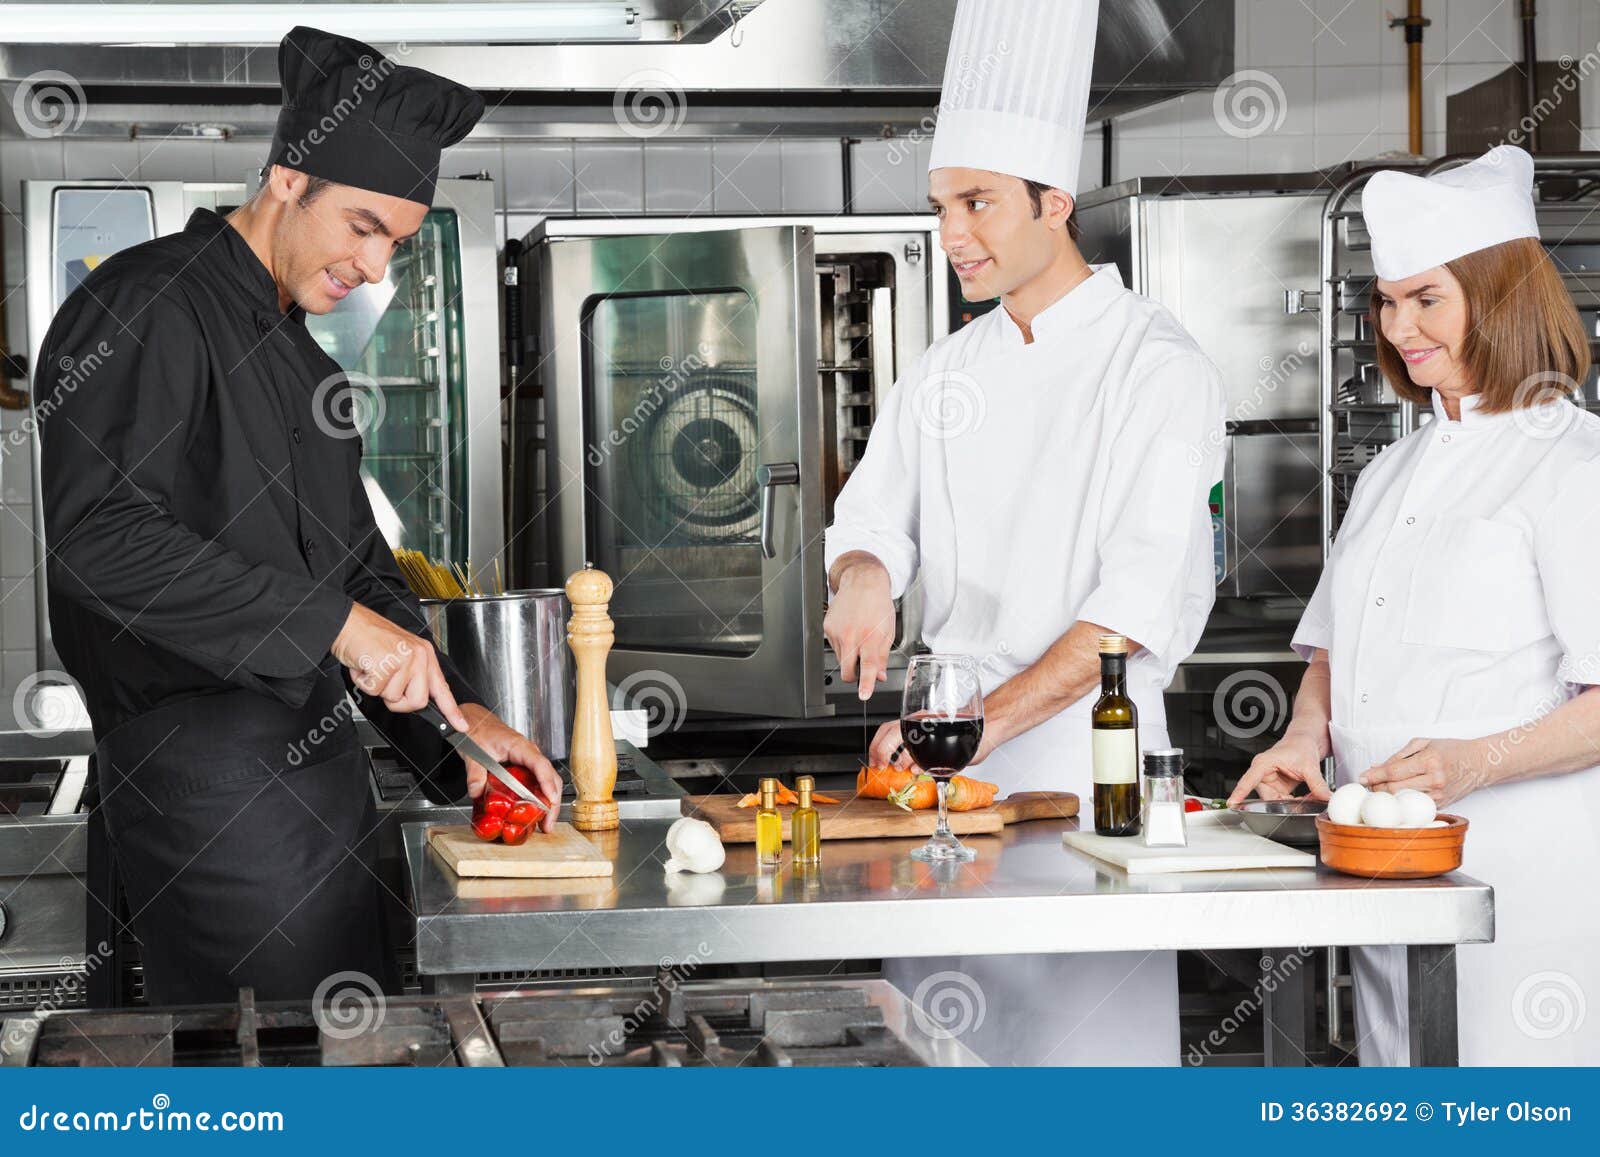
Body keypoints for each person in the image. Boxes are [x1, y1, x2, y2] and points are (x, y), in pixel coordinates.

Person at [36, 26, 563, 1006]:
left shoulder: (305, 364)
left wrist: (462, 725)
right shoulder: (149, 306)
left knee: (356, 1056)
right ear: (287, 179)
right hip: (208, 792)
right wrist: (333, 627)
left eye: (396, 244)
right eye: (362, 225)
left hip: (319, 789)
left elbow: (359, 573)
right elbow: (97, 538)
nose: (374, 266)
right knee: (280, 1072)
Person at [823, 0, 1225, 1065]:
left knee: (1082, 1070)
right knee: (939, 1063)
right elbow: (873, 511)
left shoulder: (1157, 368)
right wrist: (863, 574)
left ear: (1056, 202)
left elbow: (1129, 608)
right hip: (948, 767)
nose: (950, 233)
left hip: (1079, 766)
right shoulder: (948, 367)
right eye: (941, 204)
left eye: (977, 203)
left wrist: (971, 725)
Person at [1229, 144, 1600, 1065]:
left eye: (1427, 299)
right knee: (1409, 1093)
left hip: (1531, 889)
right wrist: (1301, 737)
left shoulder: (1572, 466)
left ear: (1503, 296)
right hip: (1389, 872)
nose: (1399, 327)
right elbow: (1330, 653)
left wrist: (1478, 760)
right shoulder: (1392, 469)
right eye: (1387, 302)